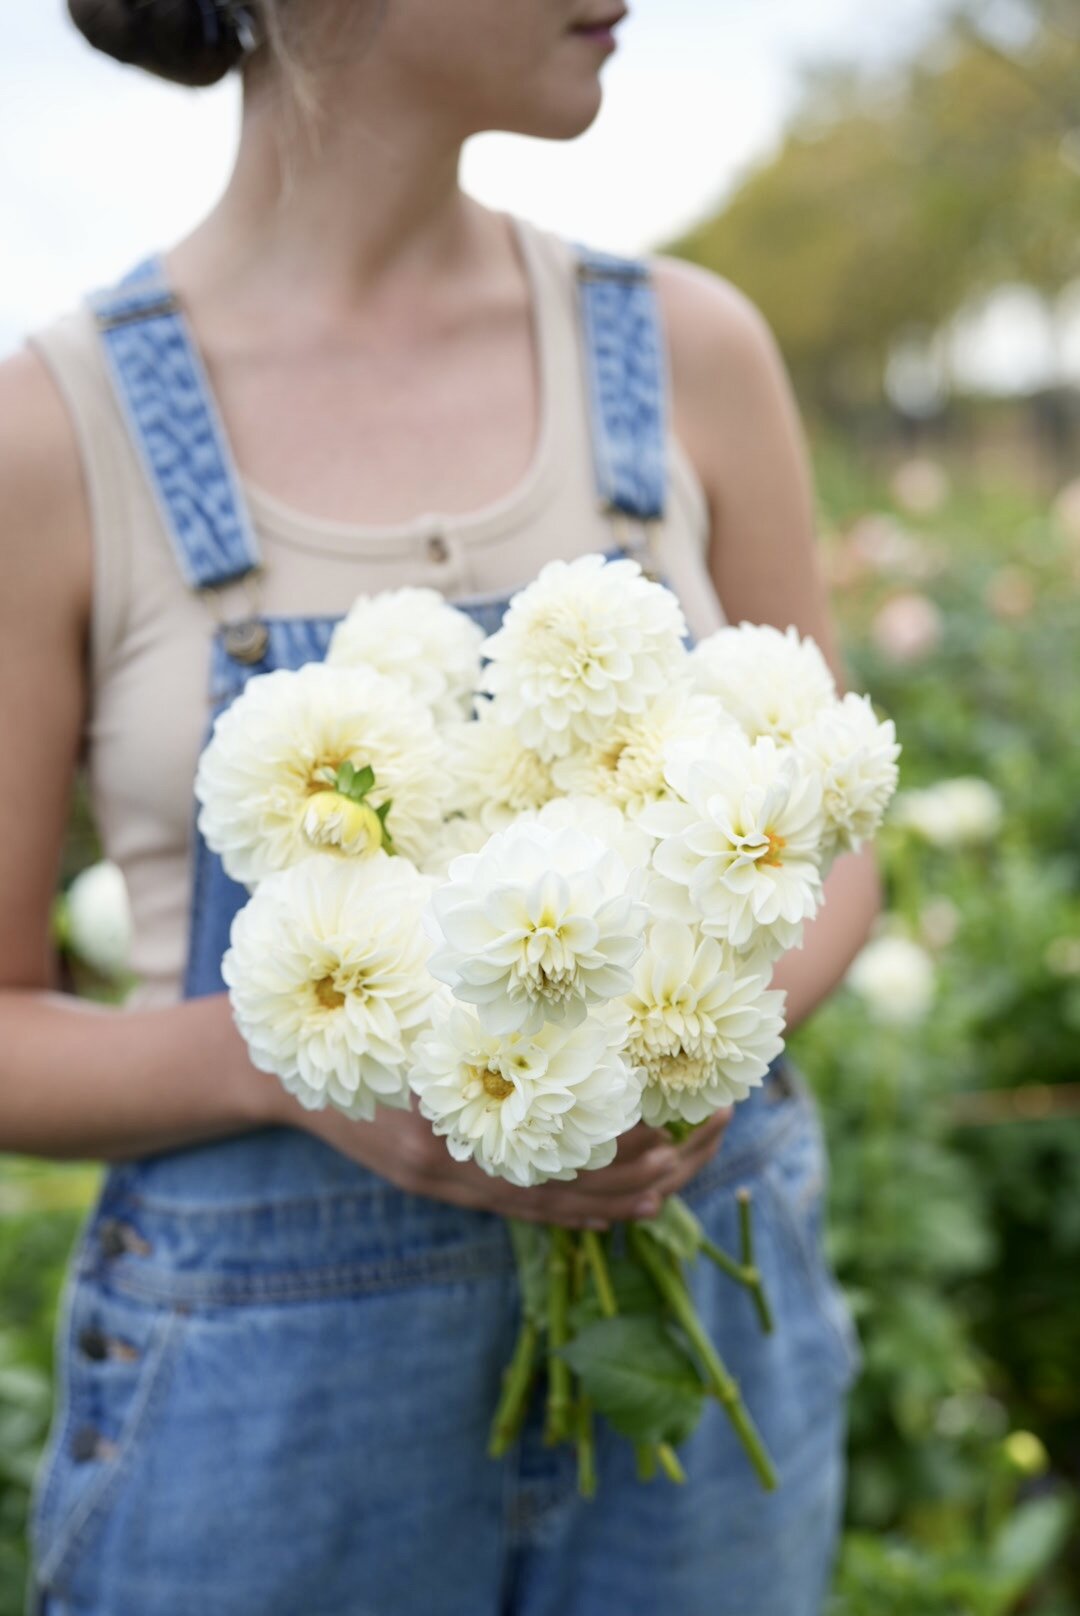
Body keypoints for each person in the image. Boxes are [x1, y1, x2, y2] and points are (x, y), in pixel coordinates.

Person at [0, 2, 881, 1612]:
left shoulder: (696, 353)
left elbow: (836, 842)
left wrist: (671, 1061)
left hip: (702, 1390)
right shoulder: (52, 435)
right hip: (272, 1448)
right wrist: (291, 1068)